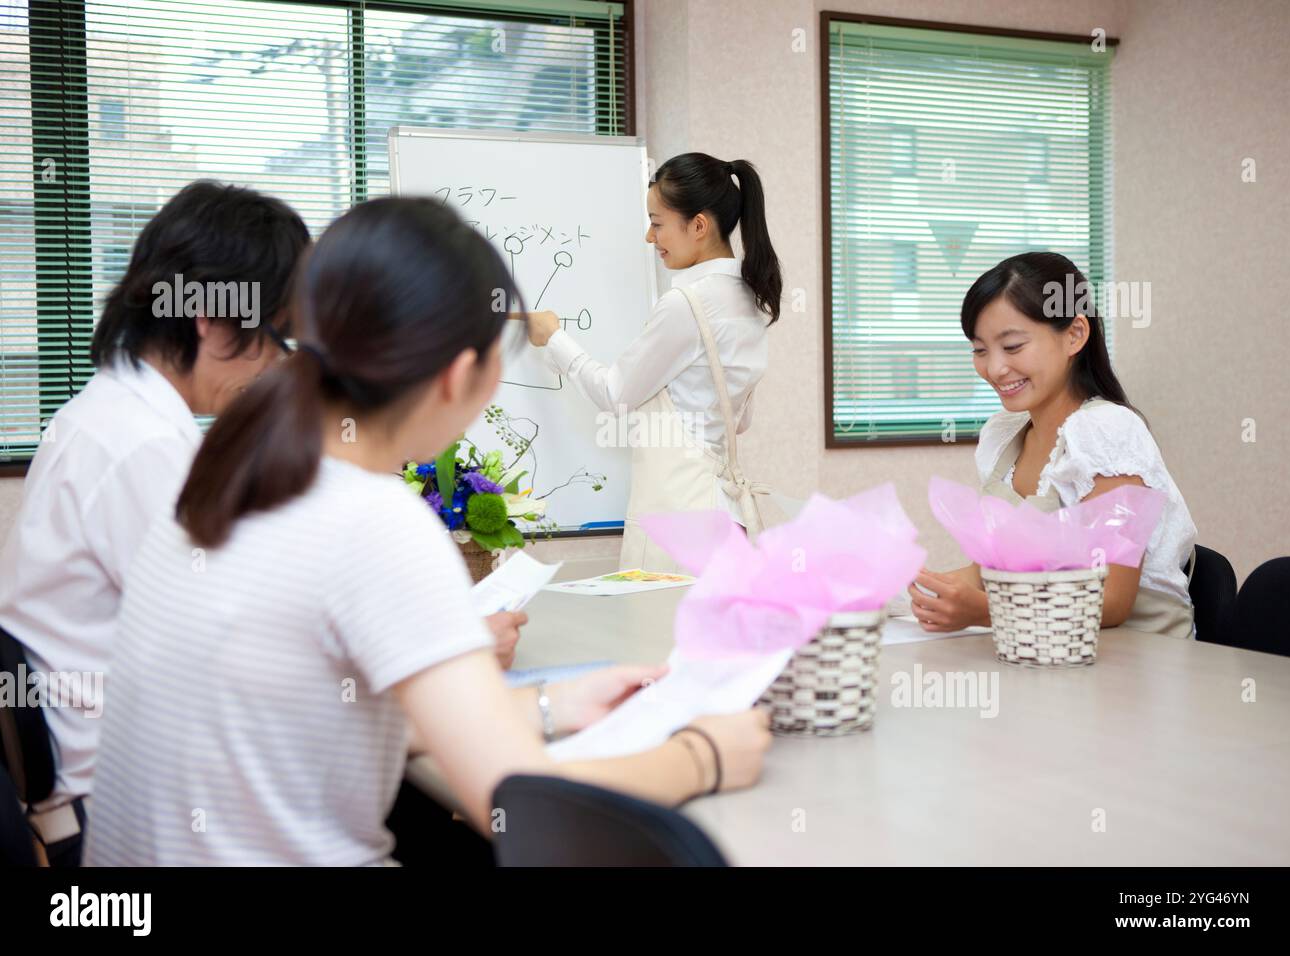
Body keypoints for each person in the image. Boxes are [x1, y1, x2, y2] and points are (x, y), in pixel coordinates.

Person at [84, 196, 771, 865]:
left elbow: (318, 720)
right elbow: (524, 805)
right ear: (459, 374)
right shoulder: (372, 521)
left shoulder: (231, 475)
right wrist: (702, 755)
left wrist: (551, 706)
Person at [0, 180, 309, 865]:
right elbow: (235, 655)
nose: (281, 365)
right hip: (126, 821)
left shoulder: (114, 415)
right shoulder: (141, 445)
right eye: (278, 336)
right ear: (212, 319)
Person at [908, 252, 1197, 639]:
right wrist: (913, 587)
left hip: (1139, 658)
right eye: (980, 350)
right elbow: (993, 570)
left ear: (1075, 334)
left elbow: (1113, 601)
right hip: (1047, 645)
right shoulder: (1003, 435)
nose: (994, 369)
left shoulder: (1108, 432)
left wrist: (987, 610)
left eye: (1012, 347)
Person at [520, 153, 782, 571]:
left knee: (656, 632)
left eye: (657, 223)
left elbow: (615, 394)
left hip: (680, 521)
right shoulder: (751, 299)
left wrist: (554, 338)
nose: (649, 236)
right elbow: (739, 420)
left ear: (698, 225)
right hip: (725, 520)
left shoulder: (688, 304)